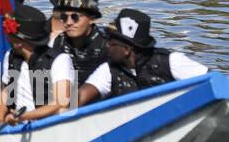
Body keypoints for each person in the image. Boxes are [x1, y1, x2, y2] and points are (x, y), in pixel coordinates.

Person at [80, 9, 209, 105]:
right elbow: (78, 100)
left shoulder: (171, 62)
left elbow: (214, 82)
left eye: (111, 43)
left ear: (126, 50)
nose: (107, 45)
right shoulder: (108, 70)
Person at [0, 4, 75, 130]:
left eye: (8, 33)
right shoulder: (10, 56)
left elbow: (60, 102)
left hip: (51, 127)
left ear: (18, 42)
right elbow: (6, 92)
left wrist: (26, 116)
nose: (6, 36)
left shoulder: (59, 60)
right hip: (19, 124)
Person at [47, 0, 108, 84]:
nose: (69, 22)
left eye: (75, 17)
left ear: (91, 18)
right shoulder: (58, 42)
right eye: (64, 17)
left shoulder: (106, 46)